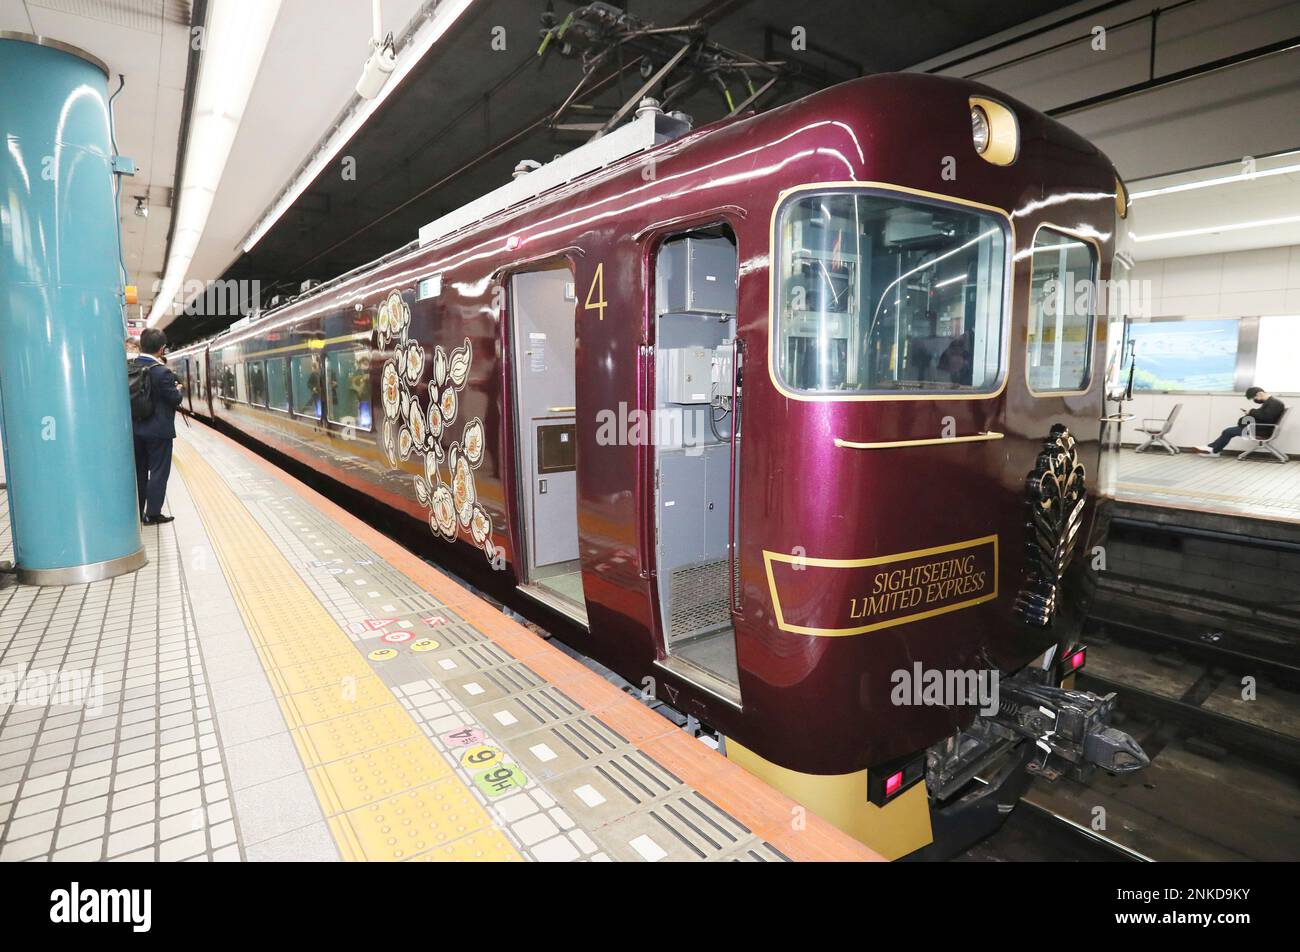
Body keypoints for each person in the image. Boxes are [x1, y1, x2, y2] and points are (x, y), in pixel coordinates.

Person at [131, 328, 184, 524]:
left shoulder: (129, 368)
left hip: (136, 429)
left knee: (140, 472)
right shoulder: (162, 372)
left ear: (141, 345)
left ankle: (137, 512)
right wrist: (178, 389)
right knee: (159, 472)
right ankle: (152, 513)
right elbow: (174, 399)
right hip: (159, 431)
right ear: (162, 349)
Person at [1196, 387, 1286, 456]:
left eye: (1255, 398)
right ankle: (1211, 448)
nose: (1256, 400)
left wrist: (1251, 411)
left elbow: (1267, 418)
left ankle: (1213, 451)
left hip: (1262, 431)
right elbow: (1265, 416)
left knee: (1228, 431)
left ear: (1260, 394)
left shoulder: (1274, 403)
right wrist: (1250, 413)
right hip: (1260, 428)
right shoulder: (1272, 402)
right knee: (1229, 431)